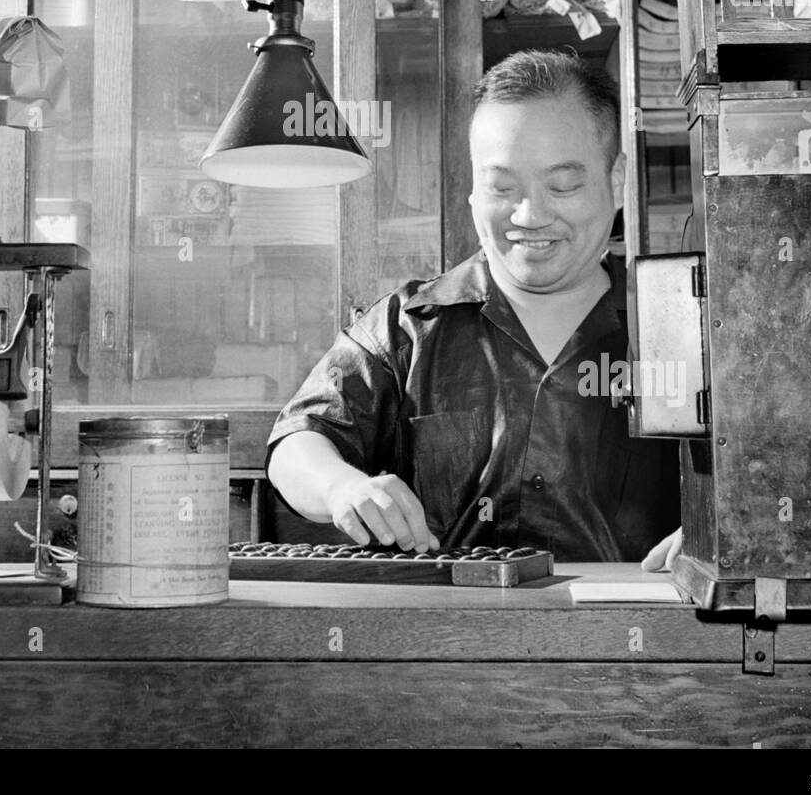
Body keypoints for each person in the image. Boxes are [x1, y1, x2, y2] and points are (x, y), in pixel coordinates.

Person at [266, 48, 682, 570]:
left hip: (644, 640)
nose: (530, 215)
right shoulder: (408, 328)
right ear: (472, 189)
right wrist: (340, 485)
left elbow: (778, 467)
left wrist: (721, 531)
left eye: (563, 185)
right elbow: (298, 441)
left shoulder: (682, 329)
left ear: (616, 180)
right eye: (502, 187)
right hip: (447, 639)